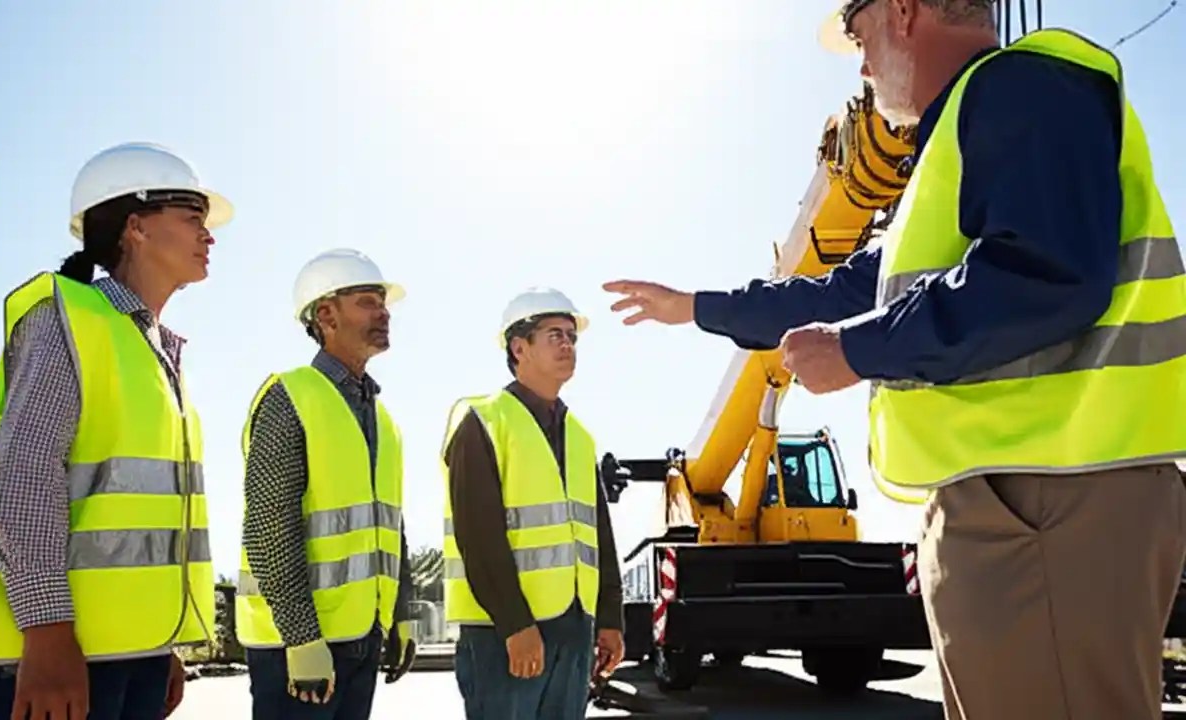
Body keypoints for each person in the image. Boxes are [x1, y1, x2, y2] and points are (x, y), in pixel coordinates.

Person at [603, 2, 1186, 718]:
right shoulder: (959, 145)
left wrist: (856, 350)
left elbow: (1045, 273)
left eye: (858, 34)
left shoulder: (1021, 86)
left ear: (904, 13)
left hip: (1047, 499)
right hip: (1024, 499)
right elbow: (844, 288)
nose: (861, 62)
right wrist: (696, 306)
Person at [0, 141, 231, 719]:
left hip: (116, 658)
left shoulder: (153, 350)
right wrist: (48, 634)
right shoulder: (70, 317)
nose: (208, 236)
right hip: (36, 662)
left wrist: (157, 643)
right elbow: (22, 478)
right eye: (192, 219)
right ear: (135, 227)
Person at [235, 248, 416, 720]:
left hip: (361, 637)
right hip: (297, 647)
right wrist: (301, 637)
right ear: (326, 314)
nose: (383, 313)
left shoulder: (381, 415)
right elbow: (269, 526)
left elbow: (390, 525)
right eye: (367, 302)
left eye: (383, 302)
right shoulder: (289, 397)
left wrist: (402, 613)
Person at [440, 288, 626, 720]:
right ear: (518, 347)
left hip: (574, 630)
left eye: (571, 336)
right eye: (554, 335)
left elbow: (601, 536)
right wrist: (515, 624)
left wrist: (611, 619)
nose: (567, 345)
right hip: (502, 633)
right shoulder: (482, 422)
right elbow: (478, 535)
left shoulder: (579, 435)